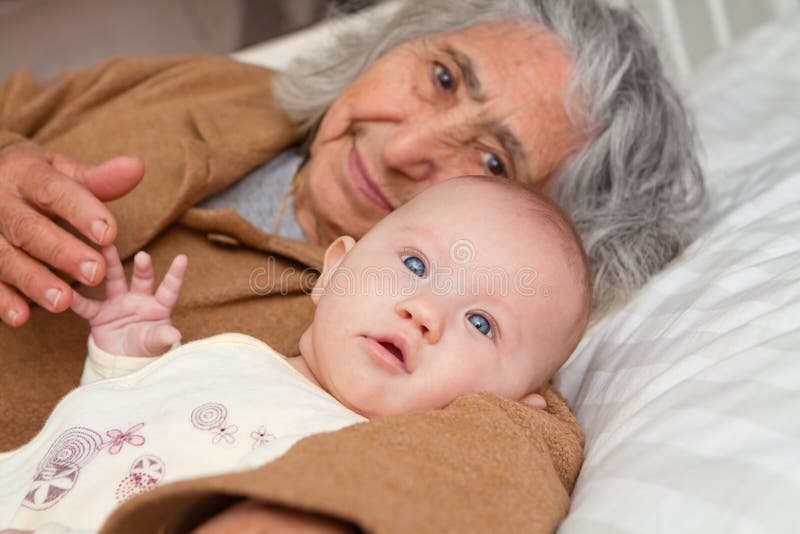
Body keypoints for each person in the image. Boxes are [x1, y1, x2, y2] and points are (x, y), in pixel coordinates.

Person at [0, 0, 705, 530]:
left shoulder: (447, 378)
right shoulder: (217, 90)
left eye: (493, 162)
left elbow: (484, 473)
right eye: (442, 77)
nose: (407, 149)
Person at [0, 177, 590, 533]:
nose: (425, 310)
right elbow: (114, 429)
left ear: (512, 405)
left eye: (481, 323)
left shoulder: (364, 458)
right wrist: (118, 360)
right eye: (415, 265)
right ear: (335, 269)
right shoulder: (231, 354)